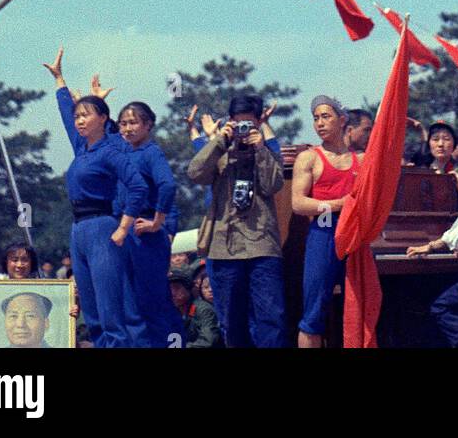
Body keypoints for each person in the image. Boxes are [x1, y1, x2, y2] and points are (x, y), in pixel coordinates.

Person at [43, 47, 149, 348]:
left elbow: (138, 187)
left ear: (103, 118)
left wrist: (123, 227)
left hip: (104, 227)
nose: (78, 121)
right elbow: (67, 117)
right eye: (78, 116)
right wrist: (60, 81)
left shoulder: (112, 149)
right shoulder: (83, 149)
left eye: (86, 116)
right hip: (78, 230)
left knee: (111, 311)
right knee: (91, 312)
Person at [187, 92, 286, 348]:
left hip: (262, 246)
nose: (243, 129)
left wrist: (260, 147)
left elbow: (273, 184)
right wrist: (220, 139)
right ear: (230, 121)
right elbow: (195, 172)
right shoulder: (221, 151)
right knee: (232, 321)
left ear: (258, 122)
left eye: (248, 124)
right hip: (225, 248)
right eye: (238, 123)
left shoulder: (266, 150)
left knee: (271, 319)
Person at [292, 97, 361, 348]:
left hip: (354, 238)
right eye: (316, 118)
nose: (319, 123)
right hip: (323, 233)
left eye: (326, 116)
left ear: (342, 120)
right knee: (313, 315)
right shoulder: (309, 158)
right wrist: (337, 205)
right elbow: (298, 203)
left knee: (359, 309)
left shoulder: (361, 161)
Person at [114, 96, 181, 349]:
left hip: (145, 235)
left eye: (133, 123)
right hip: (126, 231)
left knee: (151, 304)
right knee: (130, 304)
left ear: (148, 125)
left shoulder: (150, 152)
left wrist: (158, 222)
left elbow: (168, 185)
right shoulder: (125, 152)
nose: (127, 128)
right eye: (123, 123)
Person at [186, 264, 224, 348]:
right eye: (206, 287)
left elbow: (209, 339)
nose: (210, 290)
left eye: (213, 286)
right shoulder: (196, 306)